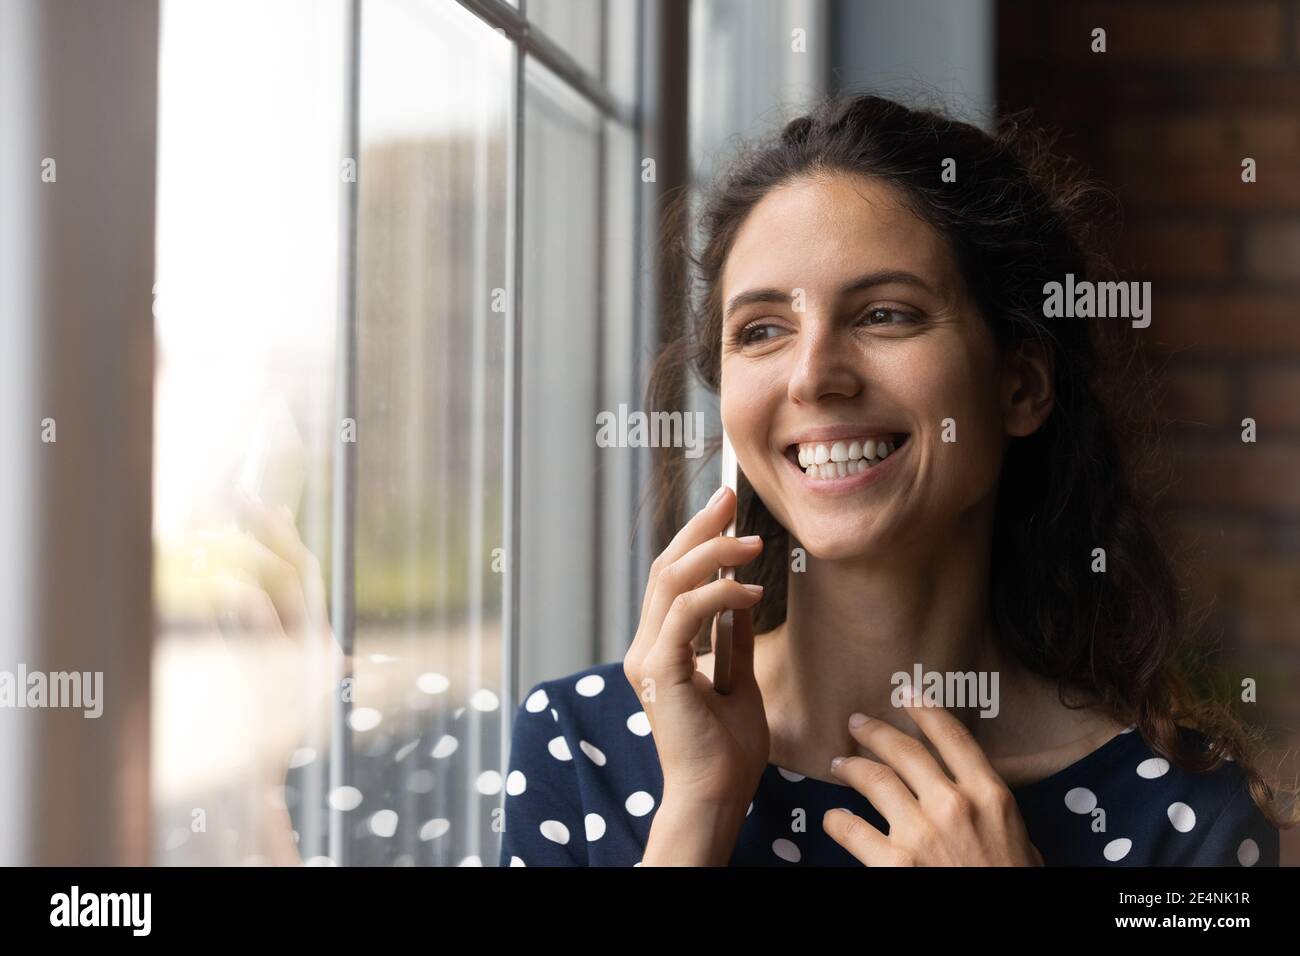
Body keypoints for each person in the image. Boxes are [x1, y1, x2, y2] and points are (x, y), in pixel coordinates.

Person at [497, 92, 1292, 866]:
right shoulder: (584, 747)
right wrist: (697, 815)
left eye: (885, 314)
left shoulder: (1191, 822)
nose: (812, 377)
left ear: (1019, 386)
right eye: (763, 330)